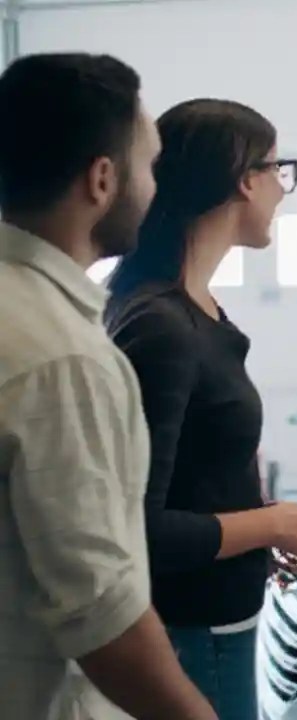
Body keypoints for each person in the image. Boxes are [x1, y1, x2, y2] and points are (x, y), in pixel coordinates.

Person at [0, 53, 217, 720]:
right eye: (148, 166)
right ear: (101, 179)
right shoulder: (61, 357)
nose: (154, 188)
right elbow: (101, 611)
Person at [104, 98, 297, 719]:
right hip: (187, 637)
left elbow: (196, 481)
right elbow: (137, 528)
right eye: (277, 171)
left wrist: (254, 533)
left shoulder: (188, 309)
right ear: (243, 178)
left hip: (214, 627)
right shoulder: (163, 327)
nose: (282, 192)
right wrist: (273, 524)